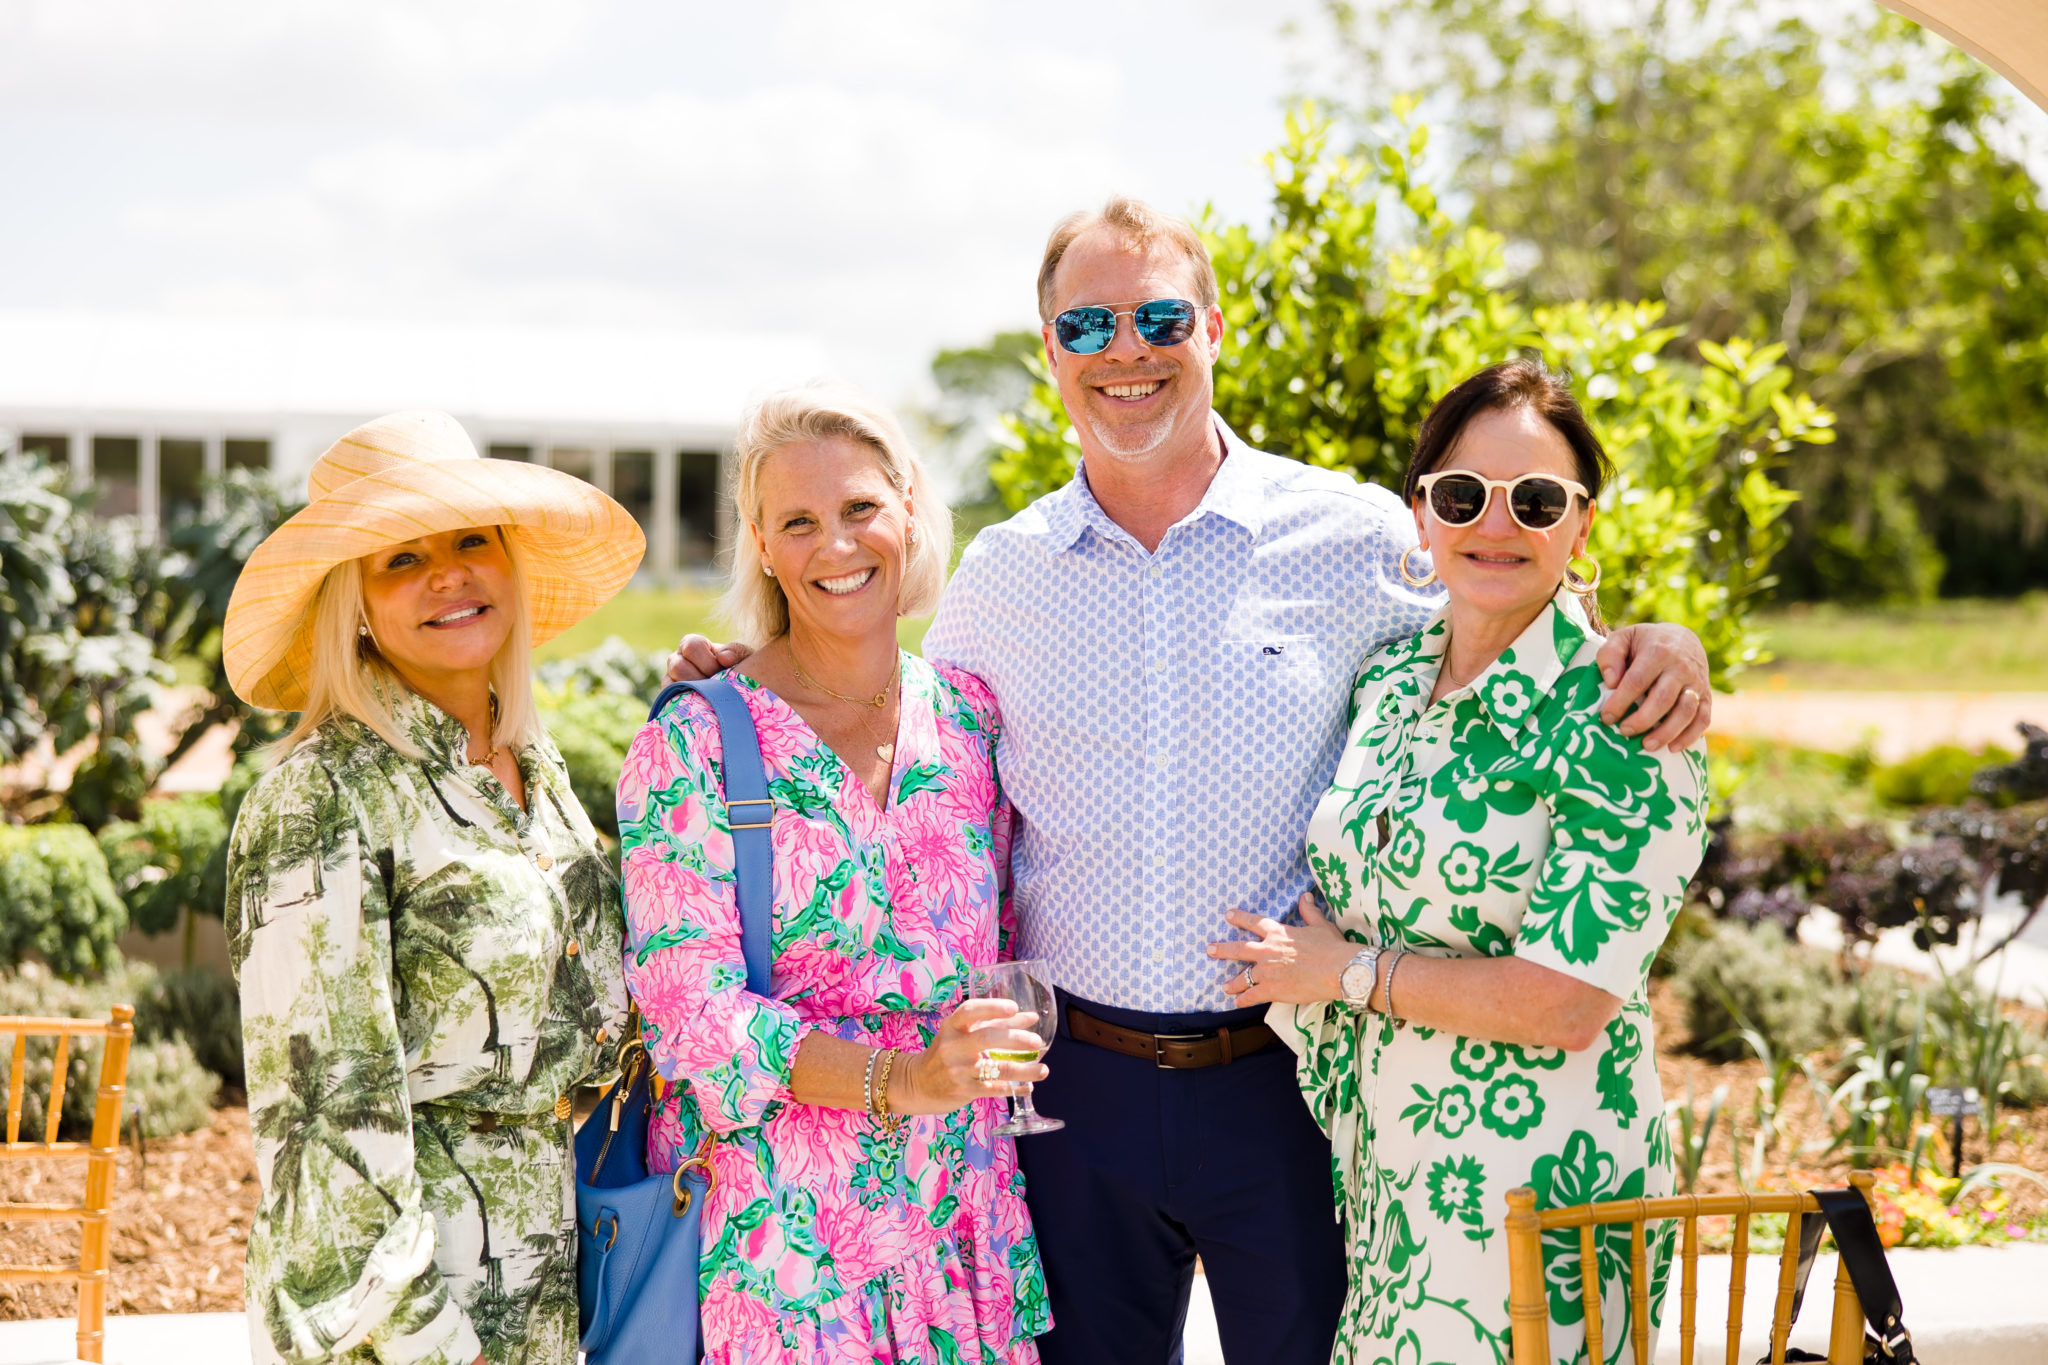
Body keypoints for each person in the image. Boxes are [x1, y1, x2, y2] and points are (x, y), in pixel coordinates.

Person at [669, 197, 1713, 1365]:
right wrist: (737, 678)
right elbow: (885, 716)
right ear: (1048, 352)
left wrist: (1651, 640)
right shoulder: (998, 582)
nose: (1126, 350)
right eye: (1088, 325)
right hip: (1073, 1103)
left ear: (1212, 328)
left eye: (1160, 315)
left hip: (1290, 1087)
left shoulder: (1358, 537)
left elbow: (1501, 601)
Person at [1210, 359, 1710, 1365]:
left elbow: (1567, 1001)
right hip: (1385, 1186)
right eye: (1461, 495)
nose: (1495, 523)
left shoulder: (1621, 717)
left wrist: (1344, 975)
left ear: (1581, 527)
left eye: (1534, 500)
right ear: (1420, 515)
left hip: (1536, 1204)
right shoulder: (1387, 682)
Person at [619, 385, 1051, 1364]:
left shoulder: (970, 721)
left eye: (859, 508)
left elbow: (1007, 943)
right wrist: (902, 1080)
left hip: (962, 1231)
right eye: (797, 523)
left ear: (907, 507)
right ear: (763, 548)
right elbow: (693, 1019)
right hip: (786, 1257)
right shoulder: (695, 741)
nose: (836, 545)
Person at [221, 411, 641, 1365]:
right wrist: (438, 1348)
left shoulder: (533, 766)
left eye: (468, 540)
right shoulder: (321, 794)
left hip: (548, 1289)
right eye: (399, 560)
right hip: (405, 1329)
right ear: (352, 603)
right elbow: (327, 1126)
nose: (448, 573)